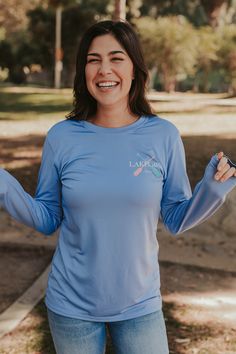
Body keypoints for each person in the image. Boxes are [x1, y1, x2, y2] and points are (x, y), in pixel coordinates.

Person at [0, 19, 236, 354]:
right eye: (93, 60)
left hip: (140, 304)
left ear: (135, 68)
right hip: (71, 306)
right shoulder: (62, 137)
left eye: (116, 58)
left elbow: (175, 217)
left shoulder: (163, 135)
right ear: (83, 71)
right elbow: (48, 217)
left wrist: (213, 189)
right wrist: (4, 184)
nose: (104, 70)